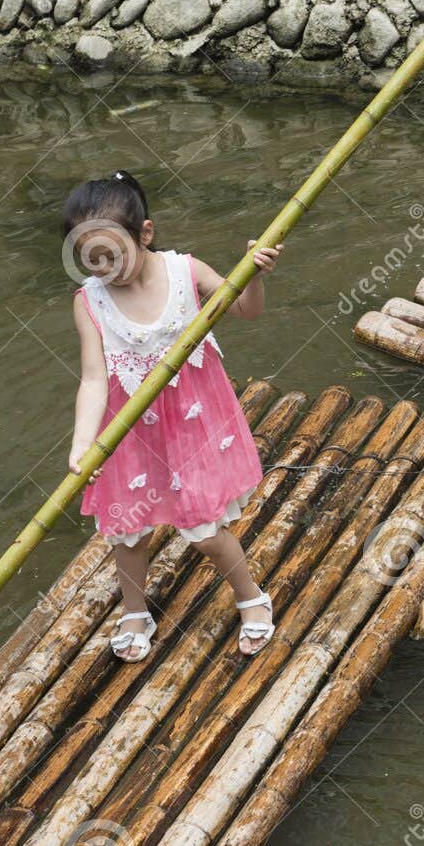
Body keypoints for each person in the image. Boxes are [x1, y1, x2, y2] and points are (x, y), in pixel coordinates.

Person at [63, 171, 280, 663]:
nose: (106, 268)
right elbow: (94, 379)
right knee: (127, 528)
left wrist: (256, 275)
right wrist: (82, 444)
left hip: (194, 424)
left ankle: (250, 595)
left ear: (145, 233)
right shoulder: (89, 302)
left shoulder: (185, 272)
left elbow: (245, 310)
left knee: (204, 529)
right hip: (131, 431)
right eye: (92, 260)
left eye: (114, 253)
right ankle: (135, 609)